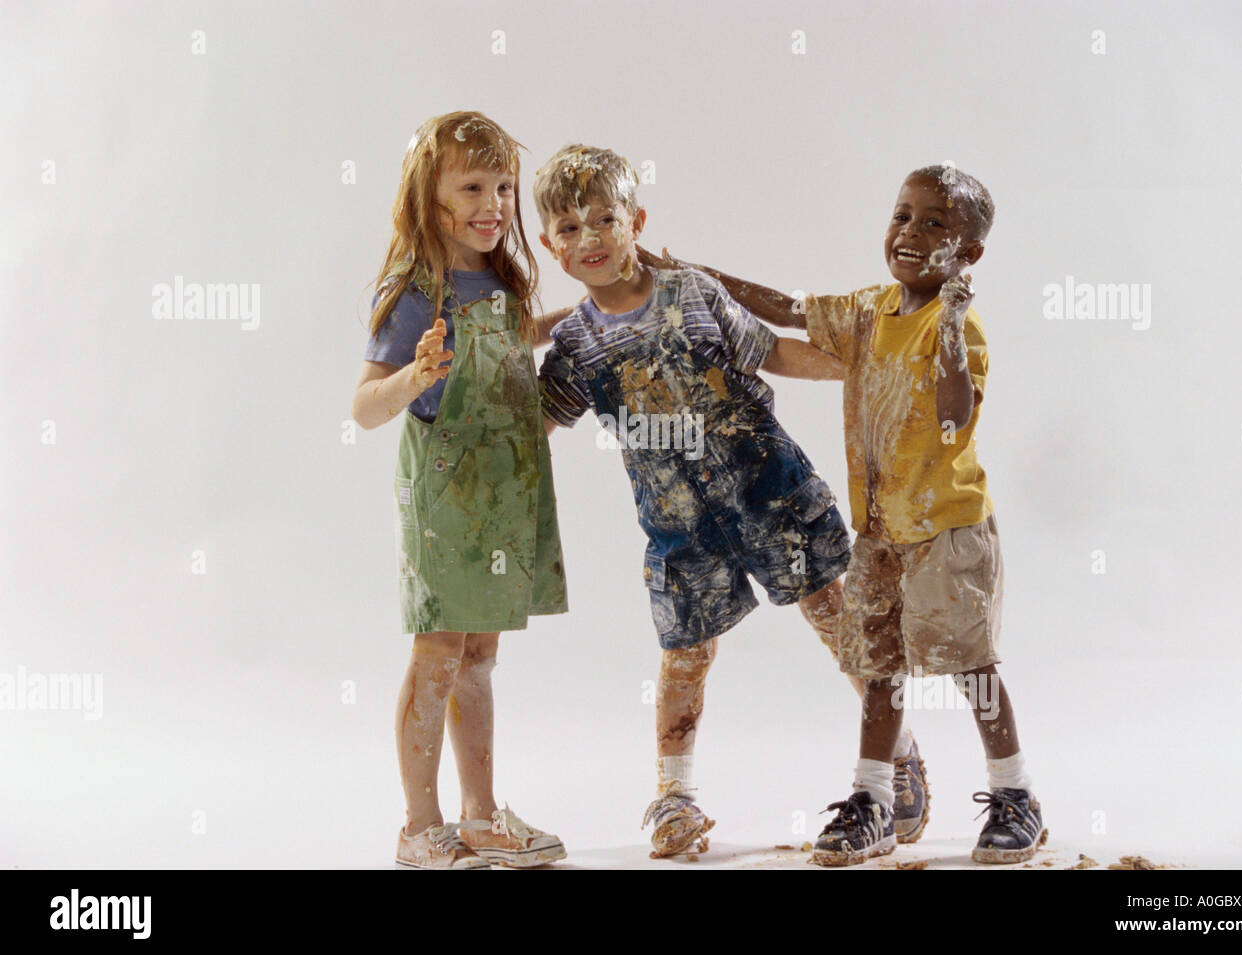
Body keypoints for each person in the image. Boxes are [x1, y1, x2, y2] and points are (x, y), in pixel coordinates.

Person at [534, 144, 928, 858]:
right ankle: (674, 795)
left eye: (604, 219)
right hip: (679, 528)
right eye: (568, 227)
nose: (588, 238)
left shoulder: (690, 293)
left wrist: (865, 373)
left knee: (832, 613)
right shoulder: (575, 348)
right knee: (684, 653)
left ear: (636, 220)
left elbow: (770, 350)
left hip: (769, 490)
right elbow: (538, 423)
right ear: (547, 244)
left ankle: (898, 756)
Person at [652, 165, 1045, 865]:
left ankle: (1015, 793)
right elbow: (789, 308)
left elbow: (956, 419)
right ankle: (875, 799)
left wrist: (952, 328)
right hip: (880, 534)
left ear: (969, 253)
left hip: (946, 531)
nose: (911, 234)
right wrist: (695, 275)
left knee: (971, 665)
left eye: (935, 224)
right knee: (878, 666)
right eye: (902, 215)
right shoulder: (868, 310)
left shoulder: (954, 324)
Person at [351, 111, 570, 869]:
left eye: (504, 185)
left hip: (503, 493)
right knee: (437, 652)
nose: (496, 202)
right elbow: (365, 406)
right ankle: (420, 824)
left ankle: (479, 815)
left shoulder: (502, 279)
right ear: (427, 196)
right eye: (473, 185)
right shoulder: (416, 288)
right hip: (447, 503)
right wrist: (414, 375)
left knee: (478, 657)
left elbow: (508, 345)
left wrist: (572, 318)